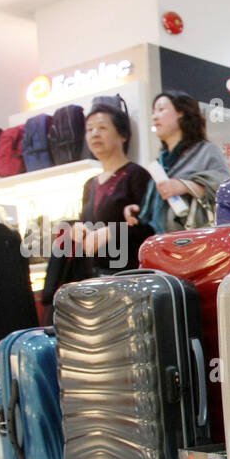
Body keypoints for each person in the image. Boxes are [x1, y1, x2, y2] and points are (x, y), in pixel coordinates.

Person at [41, 98, 151, 304]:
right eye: (89, 129)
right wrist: (78, 230)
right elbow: (88, 225)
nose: (94, 134)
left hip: (129, 282)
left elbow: (150, 227)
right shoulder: (90, 184)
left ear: (123, 135)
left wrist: (110, 233)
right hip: (94, 282)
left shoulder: (137, 175)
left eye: (102, 127)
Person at [126, 90, 230, 234]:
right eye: (154, 111)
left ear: (181, 112)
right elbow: (157, 212)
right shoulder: (160, 163)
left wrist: (186, 186)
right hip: (163, 243)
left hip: (196, 240)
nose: (155, 117)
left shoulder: (206, 151)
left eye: (161, 109)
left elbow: (226, 188)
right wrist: (139, 211)